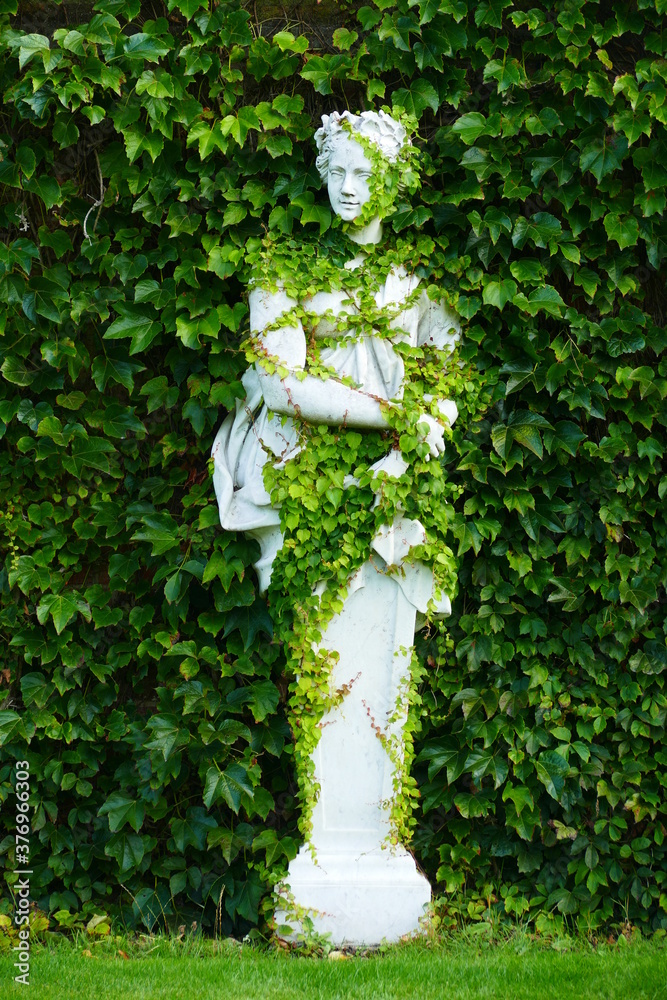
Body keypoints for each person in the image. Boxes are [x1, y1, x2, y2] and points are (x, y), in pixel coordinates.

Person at [211, 109, 460, 598]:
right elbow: (282, 388)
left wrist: (432, 418)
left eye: (365, 174)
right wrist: (403, 419)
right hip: (296, 471)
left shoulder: (422, 284)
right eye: (338, 172)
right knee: (312, 633)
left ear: (392, 181)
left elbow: (445, 380)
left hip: (393, 471)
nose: (348, 188)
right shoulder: (281, 273)